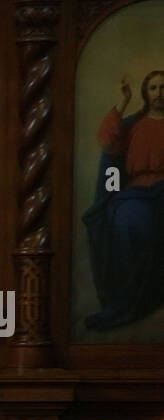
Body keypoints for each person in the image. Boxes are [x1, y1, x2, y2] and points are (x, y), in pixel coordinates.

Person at [83, 70, 164, 331]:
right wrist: (123, 101)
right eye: (153, 88)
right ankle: (132, 297)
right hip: (137, 192)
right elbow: (107, 141)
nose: (159, 93)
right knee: (127, 218)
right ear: (145, 93)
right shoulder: (133, 124)